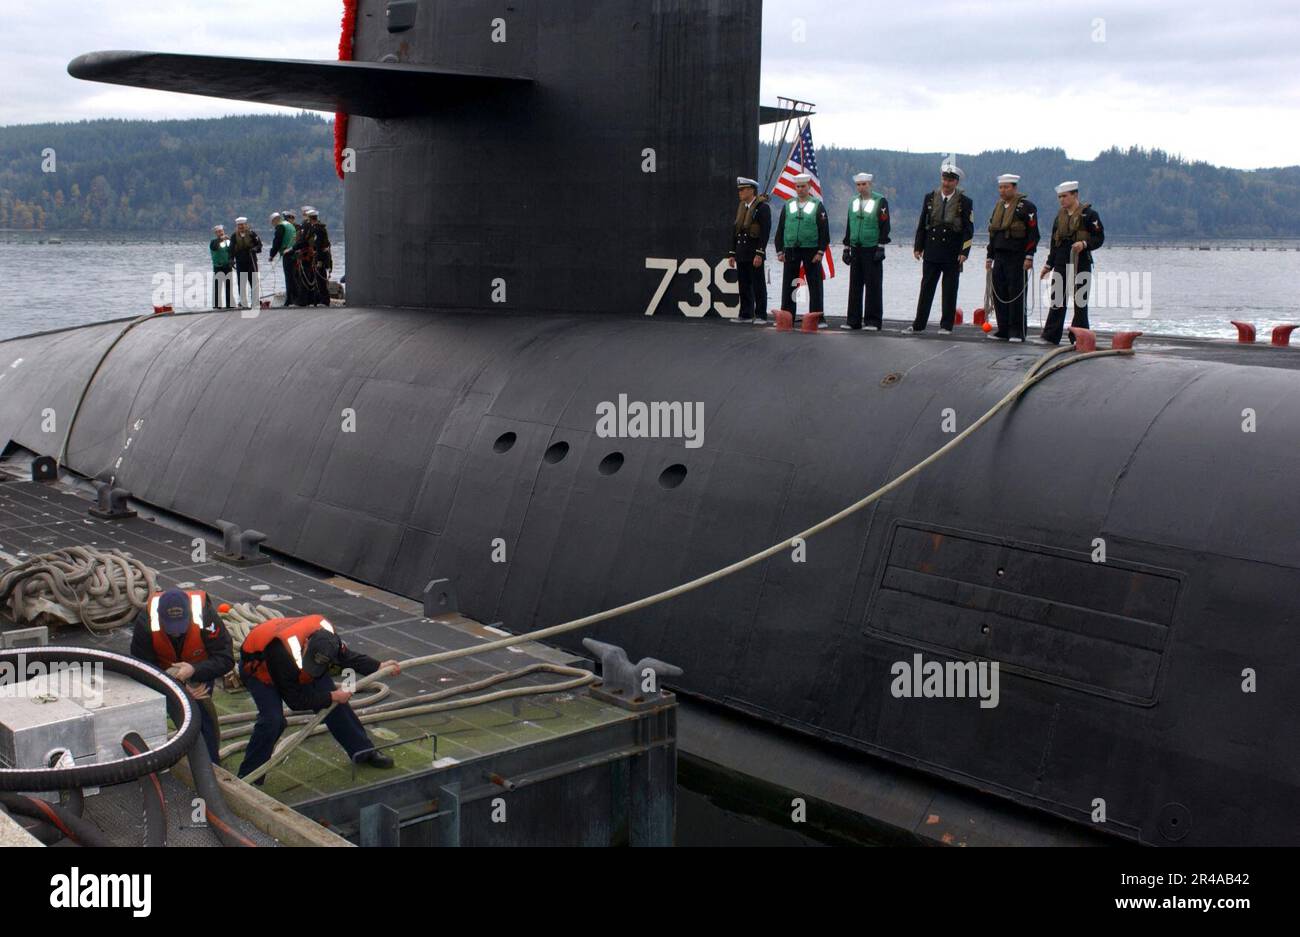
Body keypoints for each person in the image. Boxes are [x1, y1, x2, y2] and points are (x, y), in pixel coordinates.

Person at [235, 614, 401, 782]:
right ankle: (249, 775)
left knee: (337, 706)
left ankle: (363, 752)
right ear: (306, 644)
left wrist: (377, 666)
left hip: (297, 668)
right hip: (262, 673)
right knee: (272, 720)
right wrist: (331, 695)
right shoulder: (281, 649)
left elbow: (346, 657)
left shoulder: (328, 637)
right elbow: (295, 700)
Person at [128, 588, 233, 763]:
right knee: (169, 717)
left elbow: (225, 658)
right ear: (159, 617)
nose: (176, 633)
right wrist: (178, 689)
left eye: (180, 627)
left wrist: (194, 670)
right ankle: (160, 760)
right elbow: (142, 669)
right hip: (163, 674)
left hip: (200, 667)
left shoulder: (206, 617)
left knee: (202, 719)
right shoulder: (145, 623)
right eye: (170, 628)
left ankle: (211, 767)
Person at [908, 162, 974, 334]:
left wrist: (964, 252)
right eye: (945, 179)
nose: (946, 183)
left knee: (950, 290)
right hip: (931, 250)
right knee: (926, 289)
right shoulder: (930, 198)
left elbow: (968, 229)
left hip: (952, 253)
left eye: (950, 180)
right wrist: (918, 247)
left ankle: (946, 325)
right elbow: (923, 223)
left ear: (956, 182)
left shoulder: (965, 202)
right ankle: (919, 324)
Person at [1040, 181, 1105, 345]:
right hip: (1061, 262)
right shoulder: (1059, 217)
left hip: (1081, 262)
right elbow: (1054, 243)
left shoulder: (1090, 215)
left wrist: (1084, 244)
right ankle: (1051, 335)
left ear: (1075, 195)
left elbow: (1099, 238)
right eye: (1059, 197)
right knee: (1057, 300)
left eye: (1064, 196)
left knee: (1080, 301)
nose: (1061, 200)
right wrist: (1049, 265)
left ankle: (1079, 336)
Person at [985, 173, 1038, 343]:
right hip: (999, 256)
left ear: (1014, 188)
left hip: (1017, 257)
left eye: (1006, 187)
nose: (1002, 190)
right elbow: (993, 234)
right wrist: (989, 256)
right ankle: (1003, 329)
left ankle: (1017, 331)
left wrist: (1029, 256)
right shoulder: (998, 207)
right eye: (1000, 187)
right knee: (999, 293)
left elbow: (1033, 234)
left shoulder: (1026, 207)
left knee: (1016, 294)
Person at [774, 173, 830, 327]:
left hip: (811, 249)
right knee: (789, 284)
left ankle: (817, 317)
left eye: (803, 186)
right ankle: (787, 316)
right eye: (797, 187)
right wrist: (779, 250)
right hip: (791, 248)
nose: (800, 189)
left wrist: (820, 251)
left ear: (809, 187)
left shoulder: (817, 205)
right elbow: (781, 229)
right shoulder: (789, 205)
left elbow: (824, 231)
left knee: (815, 284)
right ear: (795, 188)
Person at [840, 172, 890, 331]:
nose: (861, 187)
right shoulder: (853, 202)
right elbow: (850, 224)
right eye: (858, 185)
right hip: (856, 248)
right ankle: (853, 320)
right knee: (854, 286)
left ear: (870, 184)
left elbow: (884, 225)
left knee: (873, 286)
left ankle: (873, 321)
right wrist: (846, 247)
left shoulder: (879, 201)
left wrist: (881, 246)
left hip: (872, 248)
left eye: (864, 184)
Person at [728, 176, 771, 324]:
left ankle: (760, 314)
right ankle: (745, 313)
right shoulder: (741, 208)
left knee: (758, 284)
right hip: (742, 252)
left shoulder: (762, 208)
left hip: (754, 252)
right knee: (744, 285)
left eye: (743, 189)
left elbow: (765, 233)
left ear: (751, 190)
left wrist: (760, 253)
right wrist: (732, 252)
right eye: (739, 189)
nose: (740, 192)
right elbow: (736, 231)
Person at [299, 207, 333, 307]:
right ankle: (316, 300)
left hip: (320, 257)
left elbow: (319, 246)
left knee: (321, 280)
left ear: (310, 218)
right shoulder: (316, 228)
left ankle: (325, 301)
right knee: (318, 280)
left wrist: (320, 261)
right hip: (317, 256)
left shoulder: (319, 229)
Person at [230, 216, 263, 309]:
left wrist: (255, 249)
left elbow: (260, 245)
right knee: (242, 282)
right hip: (240, 261)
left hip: (251, 260)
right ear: (237, 226)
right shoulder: (233, 236)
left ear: (246, 225)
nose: (241, 227)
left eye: (243, 225)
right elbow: (231, 249)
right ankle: (243, 302)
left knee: (254, 281)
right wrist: (231, 259)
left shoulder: (252, 234)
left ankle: (255, 301)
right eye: (239, 225)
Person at [267, 210, 298, 306]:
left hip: (287, 254)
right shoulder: (289, 224)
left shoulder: (280, 226)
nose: (273, 225)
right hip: (296, 253)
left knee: (289, 278)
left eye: (273, 223)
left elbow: (277, 242)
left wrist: (272, 255)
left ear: (275, 220)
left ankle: (290, 301)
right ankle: (296, 299)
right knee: (294, 277)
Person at [209, 224, 234, 309]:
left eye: (222, 231)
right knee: (217, 287)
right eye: (219, 232)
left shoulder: (227, 242)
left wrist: (232, 260)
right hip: (218, 267)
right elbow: (214, 247)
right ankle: (217, 305)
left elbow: (231, 251)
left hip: (227, 266)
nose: (221, 233)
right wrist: (221, 239)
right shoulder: (213, 242)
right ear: (216, 233)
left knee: (229, 286)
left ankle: (229, 305)